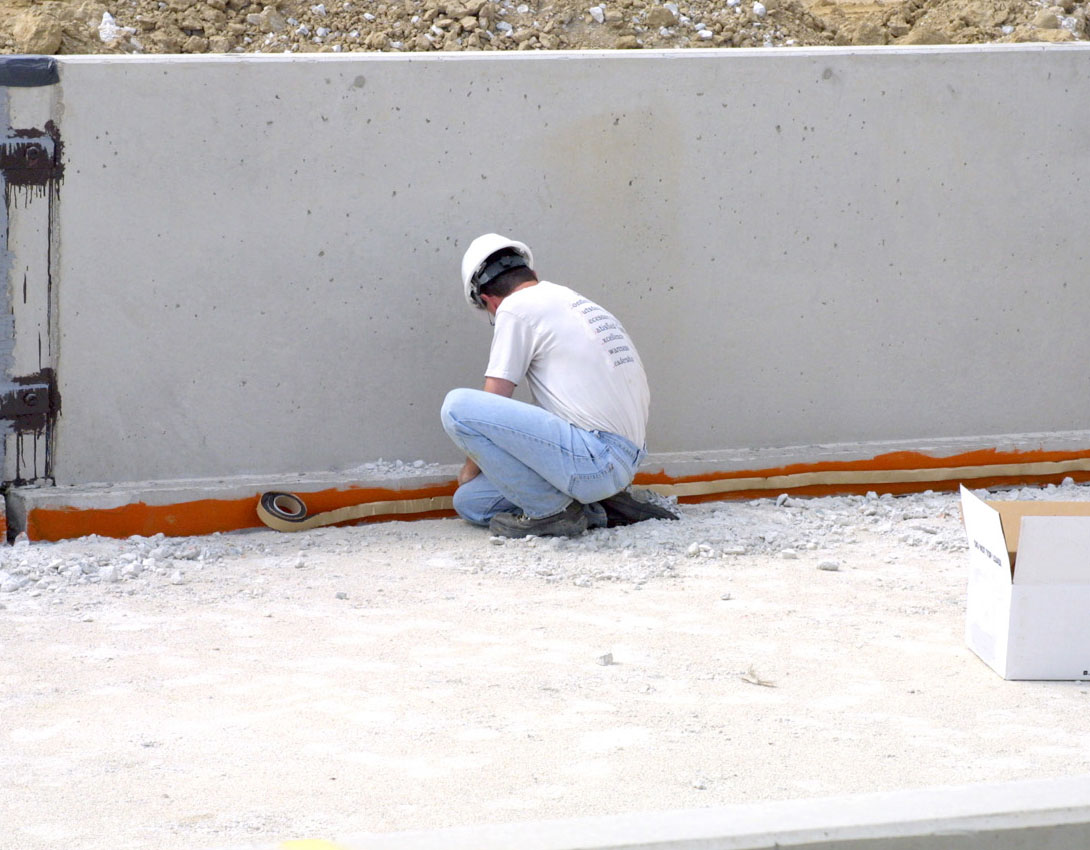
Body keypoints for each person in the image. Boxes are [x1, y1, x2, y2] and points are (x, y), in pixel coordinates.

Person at [440, 233, 677, 538]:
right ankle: (602, 508)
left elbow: (495, 397)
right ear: (532, 274)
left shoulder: (514, 308)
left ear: (488, 300)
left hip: (595, 457)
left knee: (456, 408)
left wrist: (469, 471)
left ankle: (553, 514)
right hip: (621, 459)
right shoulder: (570, 300)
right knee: (472, 502)